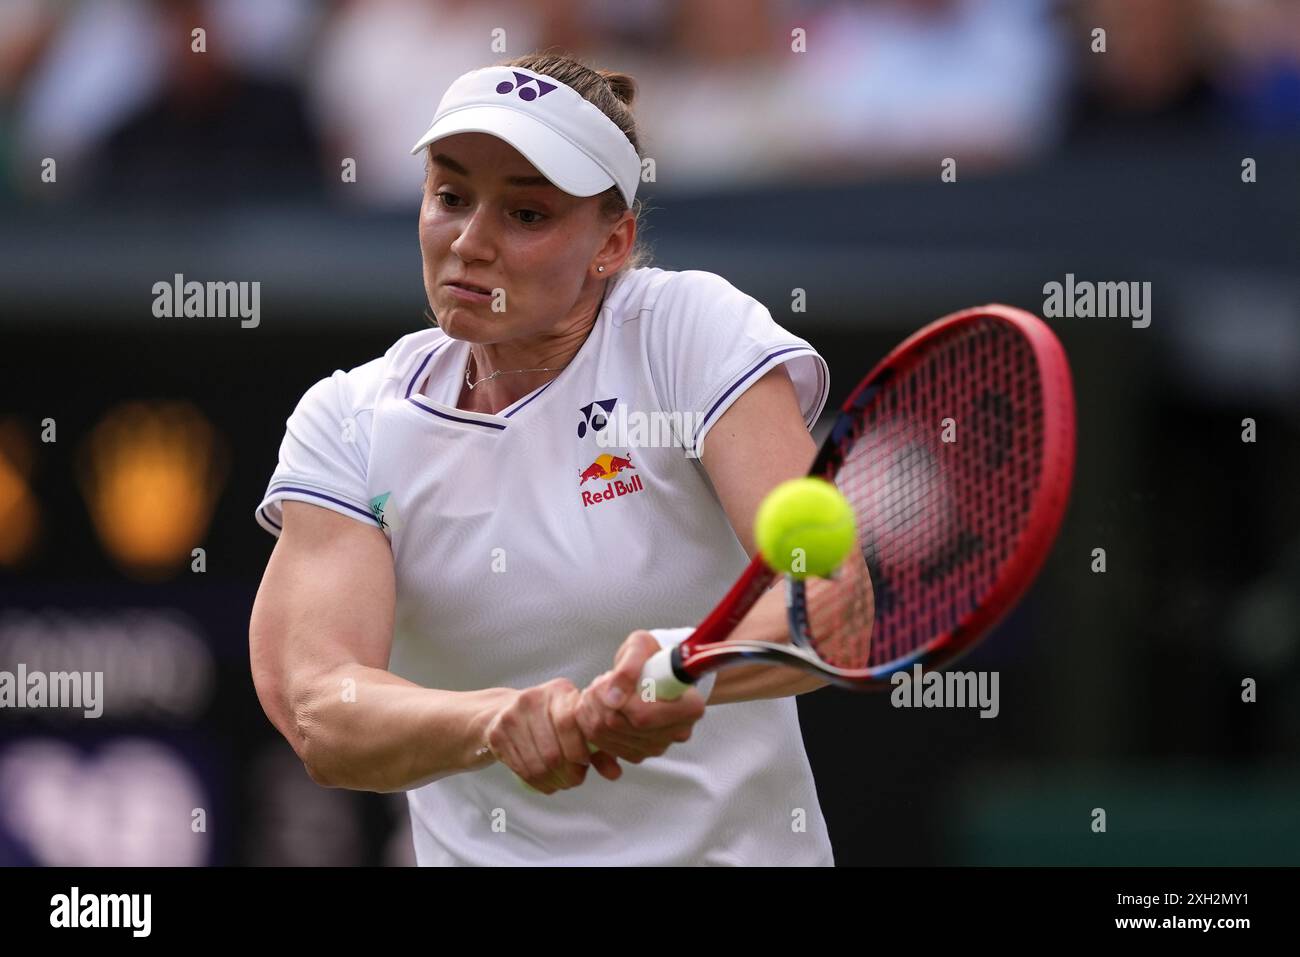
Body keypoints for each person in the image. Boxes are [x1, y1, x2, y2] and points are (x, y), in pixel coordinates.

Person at [249, 52, 835, 865]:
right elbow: (319, 708)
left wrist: (684, 665)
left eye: (527, 215)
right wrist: (492, 719)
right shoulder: (348, 420)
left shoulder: (687, 331)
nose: (470, 242)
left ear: (613, 242)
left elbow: (833, 598)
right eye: (450, 197)